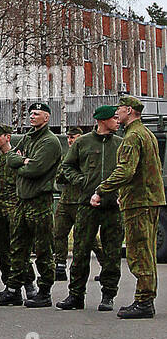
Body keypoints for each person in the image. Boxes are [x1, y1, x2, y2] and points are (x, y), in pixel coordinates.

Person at [92, 96, 166, 318]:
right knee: (148, 251)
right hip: (148, 199)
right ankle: (145, 299)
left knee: (139, 252)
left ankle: (144, 302)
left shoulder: (132, 137)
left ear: (130, 111)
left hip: (139, 202)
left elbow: (126, 171)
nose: (117, 114)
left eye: (120, 110)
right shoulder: (146, 134)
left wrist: (101, 189)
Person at [0, 103, 63, 308]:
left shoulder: (50, 142)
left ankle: (44, 291)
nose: (32, 117)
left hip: (39, 201)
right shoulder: (28, 137)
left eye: (37, 114)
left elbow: (35, 169)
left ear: (47, 118)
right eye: (31, 113)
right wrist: (22, 161)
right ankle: (13, 289)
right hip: (22, 200)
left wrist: (22, 164)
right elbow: (10, 158)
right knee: (18, 247)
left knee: (43, 249)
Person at [57, 105, 123, 312]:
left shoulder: (120, 144)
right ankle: (76, 295)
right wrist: (82, 181)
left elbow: (128, 171)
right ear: (102, 120)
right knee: (81, 250)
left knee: (112, 252)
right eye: (114, 118)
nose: (118, 121)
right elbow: (67, 167)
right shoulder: (83, 143)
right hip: (86, 204)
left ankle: (108, 294)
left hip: (112, 206)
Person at [0, 124, 35, 303]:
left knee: (18, 250)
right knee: (3, 250)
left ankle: (29, 284)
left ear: (8, 137)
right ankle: (10, 287)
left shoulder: (17, 157)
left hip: (15, 207)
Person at [54, 125, 96, 281]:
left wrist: (72, 174)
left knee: (89, 238)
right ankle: (60, 266)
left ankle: (105, 264)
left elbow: (88, 177)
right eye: (69, 138)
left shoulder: (86, 155)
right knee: (58, 233)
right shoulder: (66, 156)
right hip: (66, 201)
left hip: (81, 202)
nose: (70, 140)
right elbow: (59, 176)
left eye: (73, 137)